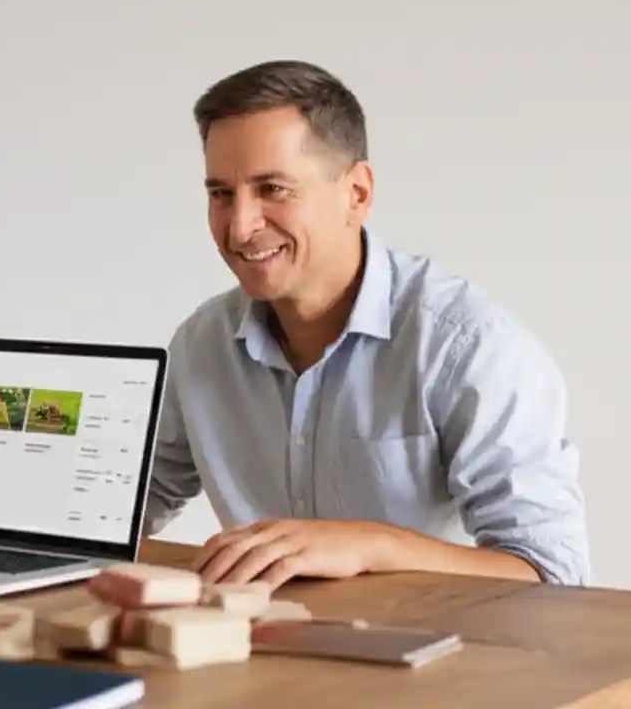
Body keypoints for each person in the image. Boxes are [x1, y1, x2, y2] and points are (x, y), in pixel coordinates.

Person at [144, 59, 589, 588]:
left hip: (434, 656)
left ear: (357, 193)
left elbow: (555, 575)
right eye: (221, 194)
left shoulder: (468, 345)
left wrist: (374, 544)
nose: (240, 227)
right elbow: (124, 505)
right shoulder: (203, 344)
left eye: (273, 189)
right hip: (258, 649)